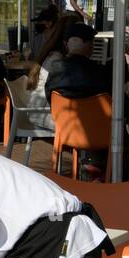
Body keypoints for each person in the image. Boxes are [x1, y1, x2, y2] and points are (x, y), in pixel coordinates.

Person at [48, 23, 111, 178]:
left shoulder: (55, 70)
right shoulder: (100, 72)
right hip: (101, 136)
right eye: (92, 42)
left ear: (66, 45)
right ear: (88, 44)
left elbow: (50, 99)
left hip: (67, 131)